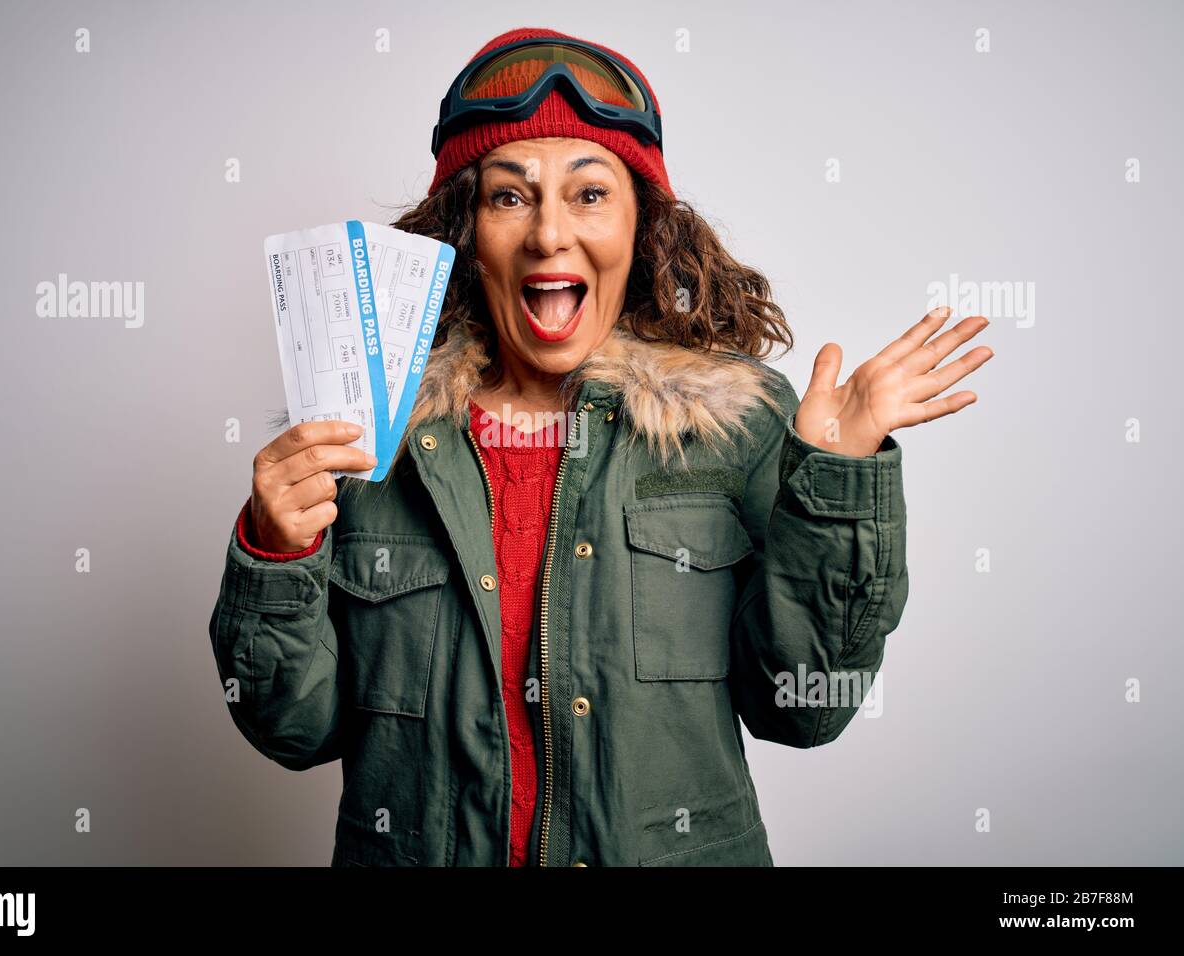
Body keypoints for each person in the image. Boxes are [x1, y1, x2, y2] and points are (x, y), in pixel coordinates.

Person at [208, 26, 993, 867]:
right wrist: (275, 554)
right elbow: (296, 729)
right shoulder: (370, 435)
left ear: (642, 229)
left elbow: (803, 711)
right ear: (466, 232)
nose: (549, 234)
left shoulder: (735, 426)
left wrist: (836, 483)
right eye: (509, 197)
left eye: (589, 194)